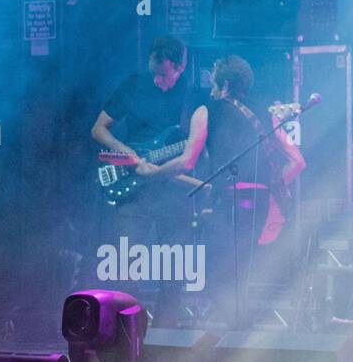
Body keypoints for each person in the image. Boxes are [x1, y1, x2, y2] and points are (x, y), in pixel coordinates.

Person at [133, 54, 305, 327]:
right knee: (238, 280)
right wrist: (269, 186)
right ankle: (242, 342)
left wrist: (153, 171)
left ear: (223, 83)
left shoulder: (206, 111)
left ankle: (243, 336)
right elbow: (297, 161)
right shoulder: (265, 114)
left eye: (213, 82)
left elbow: (187, 160)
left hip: (230, 202)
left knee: (215, 278)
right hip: (259, 202)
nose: (211, 88)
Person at [91, 36, 195, 326]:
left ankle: (165, 342)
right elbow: (98, 128)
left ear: (181, 66)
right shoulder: (133, 85)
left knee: (173, 272)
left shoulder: (191, 96)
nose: (158, 80)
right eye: (154, 73)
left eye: (164, 74)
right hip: (133, 188)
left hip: (173, 190)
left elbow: (197, 145)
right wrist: (126, 151)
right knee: (126, 267)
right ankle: (128, 338)